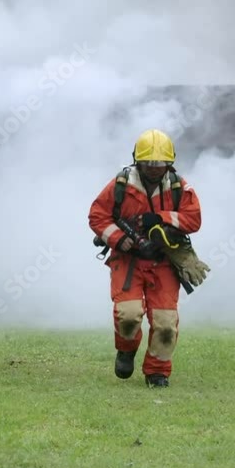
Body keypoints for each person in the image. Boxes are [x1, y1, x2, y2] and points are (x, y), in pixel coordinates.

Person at [88, 129, 209, 388]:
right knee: (128, 316)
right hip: (128, 261)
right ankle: (126, 349)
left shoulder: (178, 186)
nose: (154, 168)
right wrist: (121, 239)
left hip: (164, 263)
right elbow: (97, 216)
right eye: (149, 163)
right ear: (137, 161)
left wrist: (162, 218)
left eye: (160, 163)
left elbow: (194, 218)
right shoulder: (120, 185)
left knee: (166, 324)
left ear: (170, 162)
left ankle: (157, 372)